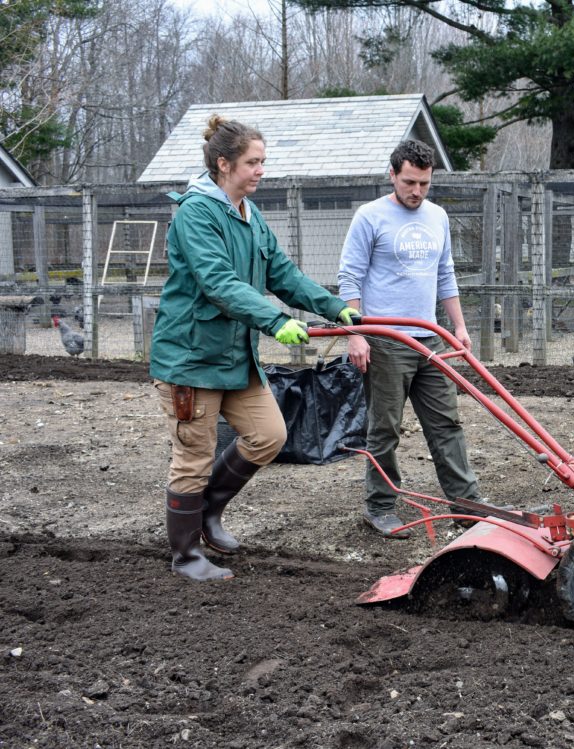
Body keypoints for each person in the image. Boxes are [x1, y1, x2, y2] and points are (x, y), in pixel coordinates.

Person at [151, 115, 350, 581]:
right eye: (253, 162)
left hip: (235, 356)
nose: (262, 170)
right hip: (192, 359)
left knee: (268, 435)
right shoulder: (196, 213)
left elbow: (282, 273)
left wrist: (335, 308)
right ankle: (185, 555)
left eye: (263, 162)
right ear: (224, 164)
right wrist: (277, 322)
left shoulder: (248, 213)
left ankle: (207, 514)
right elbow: (218, 284)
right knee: (193, 458)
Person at [337, 139, 483, 538]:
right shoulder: (369, 217)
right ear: (392, 175)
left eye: (423, 183)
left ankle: (467, 507)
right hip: (384, 340)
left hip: (429, 340)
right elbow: (349, 278)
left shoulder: (438, 217)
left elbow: (445, 274)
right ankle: (380, 506)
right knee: (384, 427)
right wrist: (355, 333)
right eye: (408, 183)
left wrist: (460, 327)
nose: (416, 191)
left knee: (447, 424)